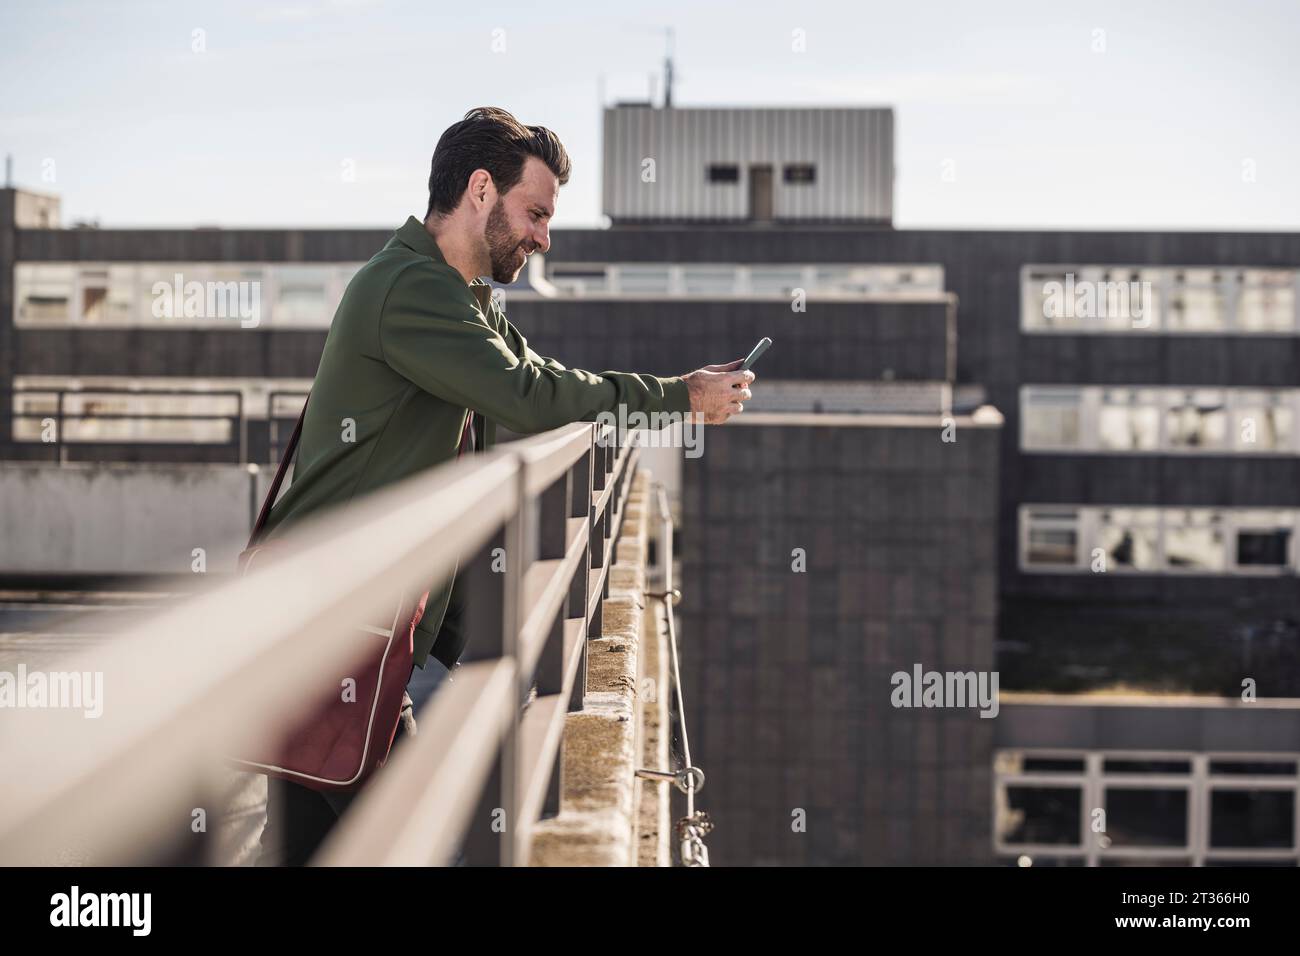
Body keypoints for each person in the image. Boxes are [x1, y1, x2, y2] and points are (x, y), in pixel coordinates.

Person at [255, 106, 754, 865]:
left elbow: (543, 381)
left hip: (357, 620)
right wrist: (678, 399)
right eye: (537, 213)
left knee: (313, 836)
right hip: (335, 619)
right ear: (481, 191)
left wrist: (673, 391)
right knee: (410, 832)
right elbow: (525, 395)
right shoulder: (410, 289)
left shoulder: (466, 297)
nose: (544, 237)